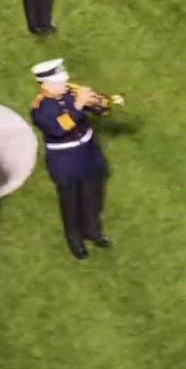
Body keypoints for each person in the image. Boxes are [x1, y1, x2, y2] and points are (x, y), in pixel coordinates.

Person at [29, 60, 113, 259]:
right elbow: (58, 128)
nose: (64, 86)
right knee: (71, 202)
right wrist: (78, 105)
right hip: (65, 160)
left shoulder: (70, 92)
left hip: (89, 151)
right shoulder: (40, 108)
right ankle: (75, 241)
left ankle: (93, 231)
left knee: (93, 194)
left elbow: (100, 110)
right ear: (45, 86)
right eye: (59, 83)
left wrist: (99, 104)